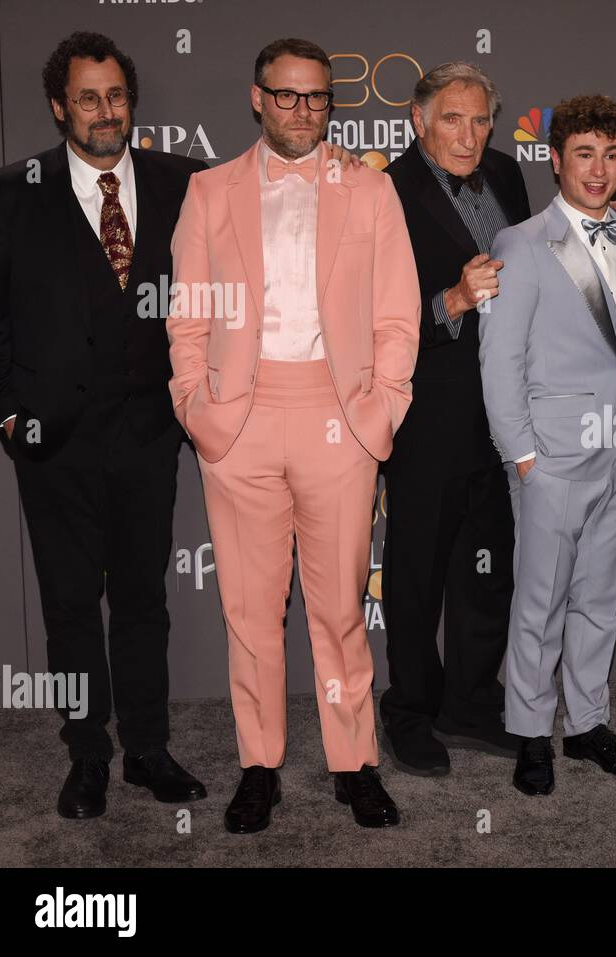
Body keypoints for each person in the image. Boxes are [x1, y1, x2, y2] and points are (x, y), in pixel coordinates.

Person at [167, 38, 420, 831]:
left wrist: (377, 412)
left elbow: (397, 314)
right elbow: (187, 315)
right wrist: (199, 411)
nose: (303, 112)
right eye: (286, 96)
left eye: (316, 98)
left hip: (337, 419)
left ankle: (354, 763)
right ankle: (259, 764)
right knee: (248, 610)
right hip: (237, 422)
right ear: (256, 97)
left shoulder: (370, 193)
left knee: (340, 610)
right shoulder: (210, 191)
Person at [0, 31, 207, 819]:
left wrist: (343, 169)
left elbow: (272, 197)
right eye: (88, 98)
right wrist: (10, 417)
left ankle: (147, 748)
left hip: (149, 433)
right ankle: (87, 753)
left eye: (115, 96)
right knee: (71, 604)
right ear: (59, 107)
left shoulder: (186, 183)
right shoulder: (9, 193)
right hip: (54, 443)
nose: (105, 112)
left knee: (145, 597)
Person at [480, 94, 616, 797]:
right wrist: (522, 456)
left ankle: (586, 724)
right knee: (540, 601)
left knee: (601, 598)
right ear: (554, 159)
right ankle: (528, 732)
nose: (599, 168)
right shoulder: (521, 242)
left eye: (612, 155)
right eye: (584, 153)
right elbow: (498, 361)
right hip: (550, 454)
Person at [379, 62, 529, 776]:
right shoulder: (384, 192)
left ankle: (470, 700)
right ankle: (408, 709)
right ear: (418, 121)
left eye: (479, 120)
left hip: (500, 416)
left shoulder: (506, 173)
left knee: (487, 571)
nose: (469, 136)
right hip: (427, 415)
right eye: (451, 120)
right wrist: (452, 301)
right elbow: (365, 315)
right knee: (415, 576)